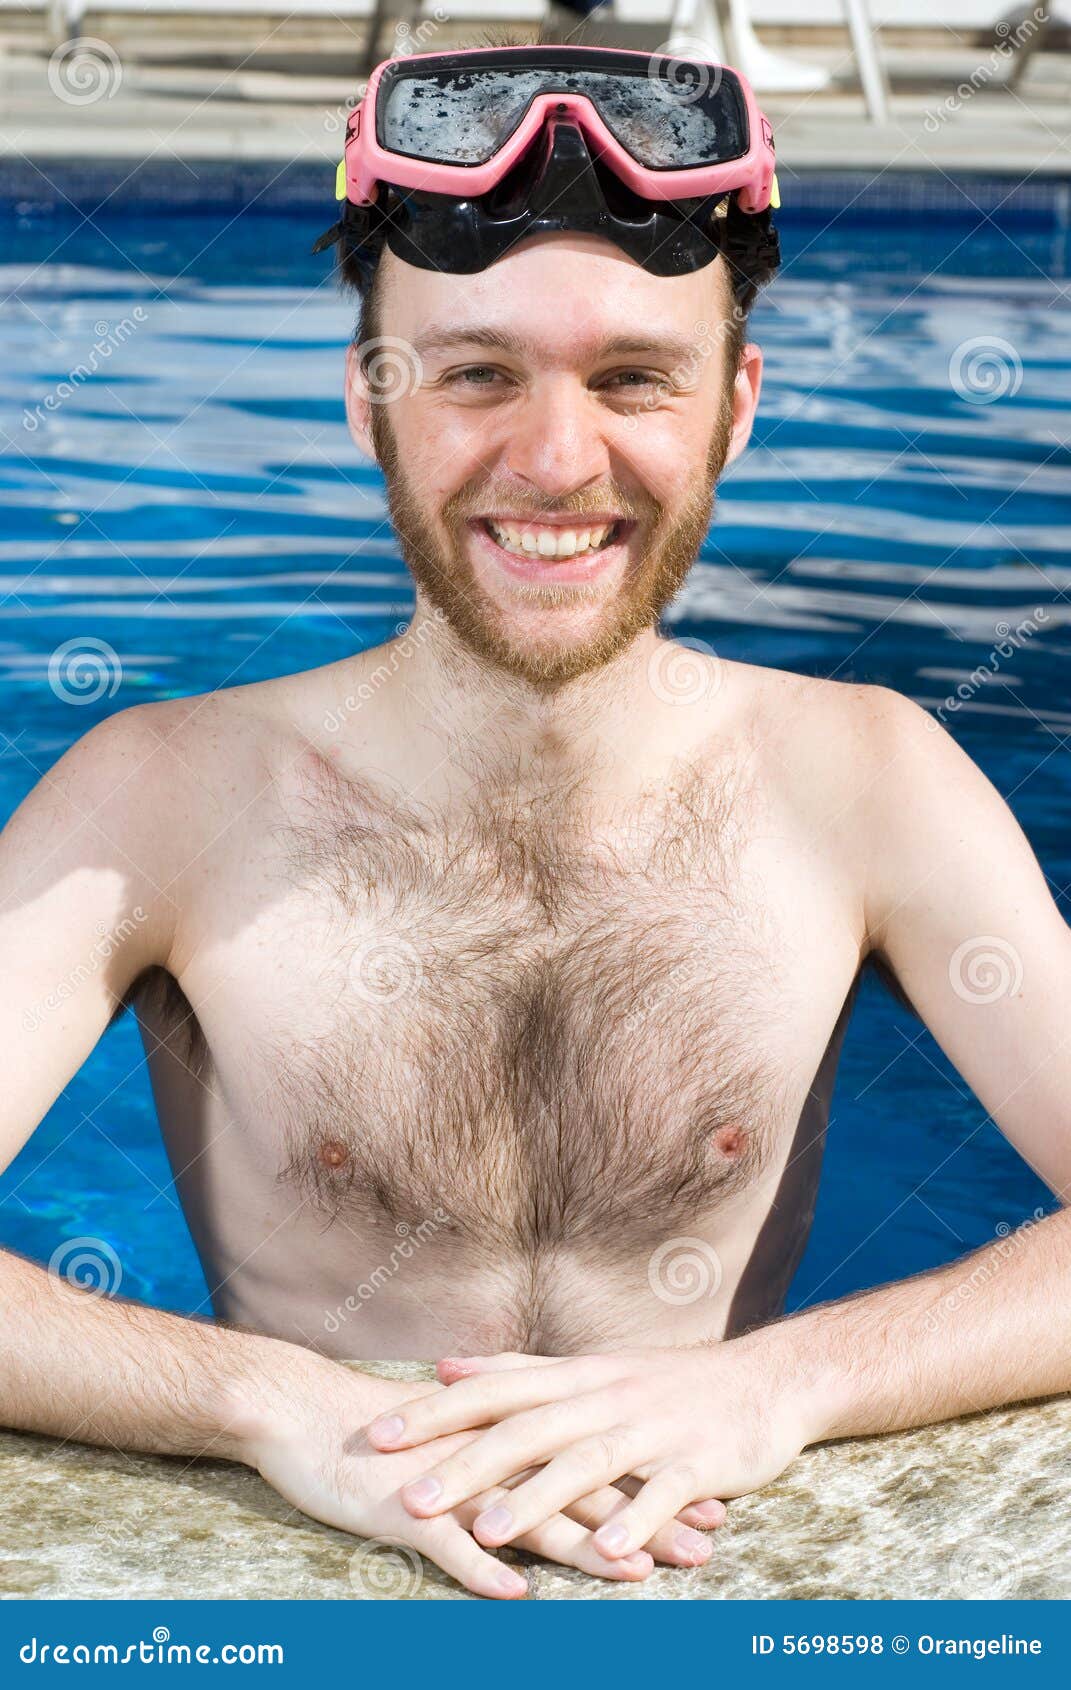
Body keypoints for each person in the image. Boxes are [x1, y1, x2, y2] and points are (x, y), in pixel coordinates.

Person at [2, 45, 1068, 1601]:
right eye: (477, 373)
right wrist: (264, 1400)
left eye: (634, 377)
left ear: (738, 406)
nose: (557, 462)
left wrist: (781, 1384)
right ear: (372, 400)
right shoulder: (161, 796)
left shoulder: (866, 780)